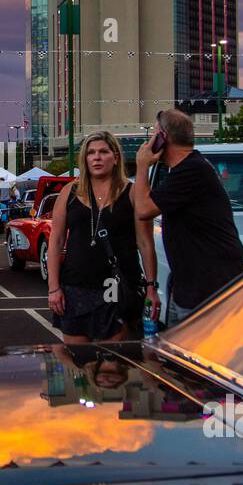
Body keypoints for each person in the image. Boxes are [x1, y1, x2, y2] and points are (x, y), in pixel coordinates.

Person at [133, 110, 243, 325]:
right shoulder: (189, 169)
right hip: (191, 284)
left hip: (206, 287)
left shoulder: (192, 170)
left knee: (196, 351)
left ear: (163, 138)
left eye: (154, 134)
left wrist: (141, 166)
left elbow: (144, 209)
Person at [49, 131, 159, 342]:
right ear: (85, 158)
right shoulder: (69, 192)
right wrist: (54, 288)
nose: (96, 157)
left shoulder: (133, 192)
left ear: (115, 157)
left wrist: (151, 288)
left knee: (113, 367)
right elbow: (56, 241)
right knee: (78, 361)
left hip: (118, 287)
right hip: (76, 287)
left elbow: (145, 243)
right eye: (91, 153)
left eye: (103, 152)